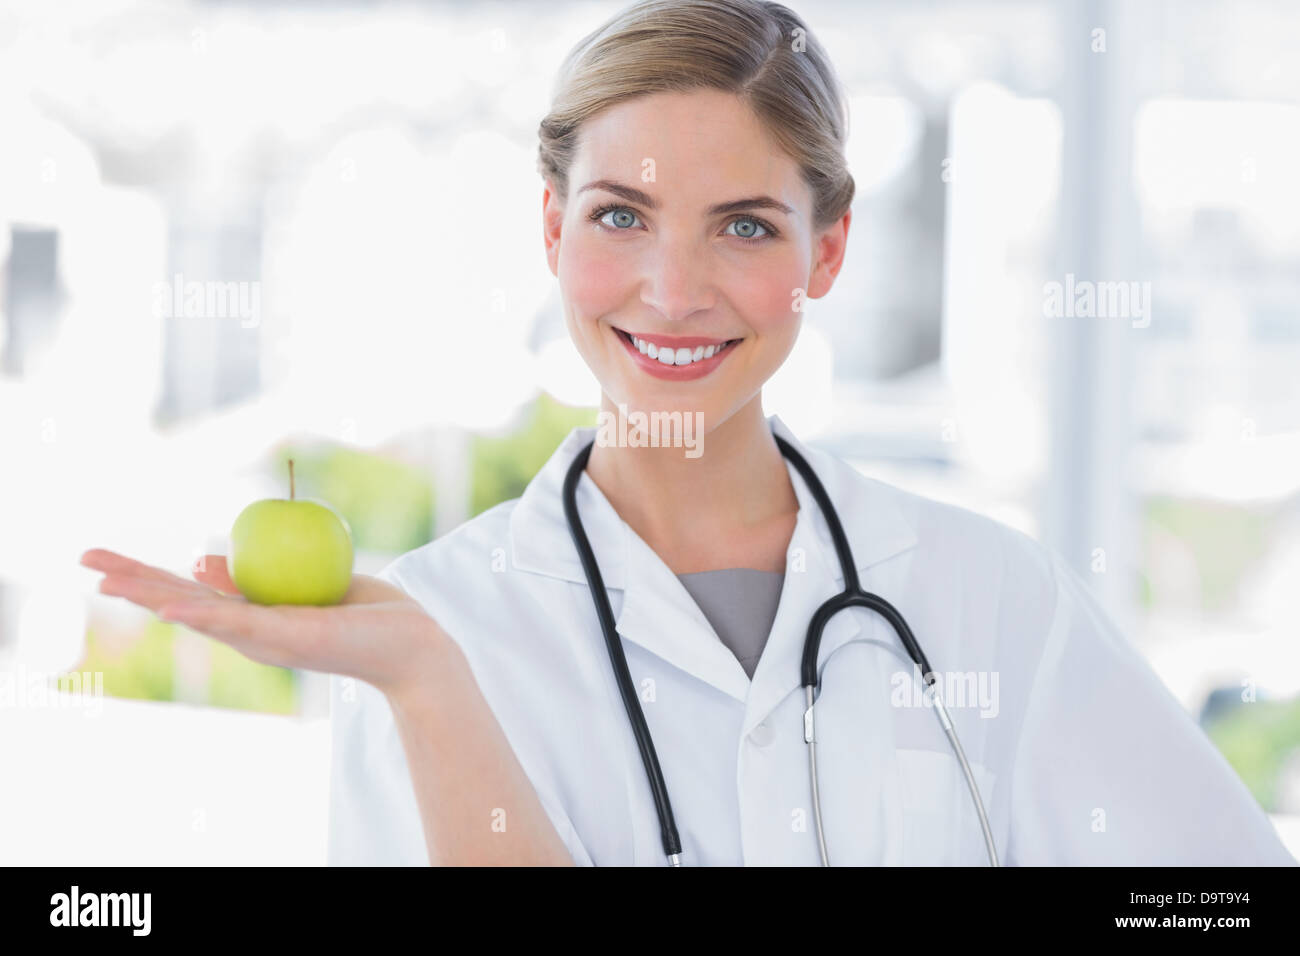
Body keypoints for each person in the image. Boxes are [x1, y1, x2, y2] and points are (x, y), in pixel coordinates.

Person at [82, 0, 1296, 867]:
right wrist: (432, 684)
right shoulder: (434, 634)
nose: (672, 288)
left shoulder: (989, 598)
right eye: (623, 214)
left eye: (746, 227)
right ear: (552, 227)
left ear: (827, 249)